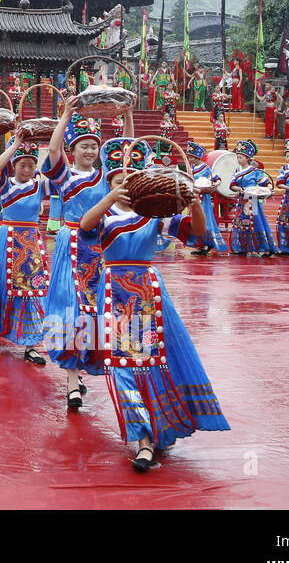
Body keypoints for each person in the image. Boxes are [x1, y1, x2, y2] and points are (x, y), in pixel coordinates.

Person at [78, 145, 230, 471]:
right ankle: (143, 440)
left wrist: (195, 202)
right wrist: (108, 198)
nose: (125, 187)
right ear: (110, 184)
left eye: (130, 182)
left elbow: (197, 233)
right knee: (121, 364)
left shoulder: (155, 215)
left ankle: (156, 431)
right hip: (114, 291)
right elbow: (84, 226)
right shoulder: (104, 214)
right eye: (118, 181)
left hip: (147, 290)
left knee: (151, 362)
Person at [42, 99, 121, 410]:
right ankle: (72, 378)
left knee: (98, 308)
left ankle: (90, 362)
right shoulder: (65, 176)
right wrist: (65, 116)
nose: (89, 151)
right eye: (83, 146)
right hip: (72, 243)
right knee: (70, 307)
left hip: (100, 246)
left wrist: (125, 118)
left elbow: (127, 151)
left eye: (93, 146)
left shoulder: (105, 177)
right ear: (73, 151)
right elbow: (52, 151)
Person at [0, 134, 49, 363]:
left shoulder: (40, 186)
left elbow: (58, 169)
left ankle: (31, 345)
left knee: (32, 291)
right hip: (7, 239)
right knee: (0, 285)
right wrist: (15, 146)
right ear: (14, 165)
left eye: (32, 165)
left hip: (30, 244)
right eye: (23, 164)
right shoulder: (5, 185)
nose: (28, 169)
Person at [228, 140, 276, 256]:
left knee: (255, 222)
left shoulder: (255, 171)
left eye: (241, 158)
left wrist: (268, 188)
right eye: (238, 157)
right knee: (240, 223)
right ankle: (242, 247)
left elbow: (266, 183)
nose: (239, 160)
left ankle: (262, 247)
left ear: (248, 159)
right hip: (242, 200)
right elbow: (232, 185)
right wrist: (239, 189)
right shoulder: (237, 171)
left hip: (253, 201)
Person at [181, 140, 228, 255]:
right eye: (189, 157)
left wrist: (213, 185)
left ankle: (209, 243)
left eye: (192, 157)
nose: (190, 159)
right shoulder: (190, 168)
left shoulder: (205, 168)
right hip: (193, 197)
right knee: (193, 220)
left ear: (198, 157)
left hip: (203, 198)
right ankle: (199, 244)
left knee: (205, 219)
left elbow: (217, 179)